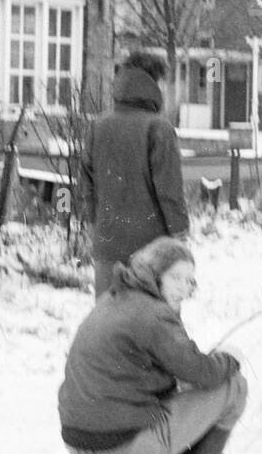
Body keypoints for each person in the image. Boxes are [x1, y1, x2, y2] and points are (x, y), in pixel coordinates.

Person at [57, 237, 247, 454]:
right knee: (234, 386)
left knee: (178, 393)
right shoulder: (154, 314)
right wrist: (229, 358)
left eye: (189, 280)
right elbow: (201, 372)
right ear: (155, 274)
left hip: (79, 446)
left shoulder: (112, 299)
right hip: (123, 450)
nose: (184, 288)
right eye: (176, 278)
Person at [81, 52, 189, 298]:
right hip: (152, 254)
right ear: (154, 83)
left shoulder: (98, 126)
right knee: (152, 324)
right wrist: (180, 236)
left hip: (107, 248)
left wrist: (94, 226)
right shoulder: (159, 129)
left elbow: (86, 187)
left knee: (110, 325)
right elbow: (169, 192)